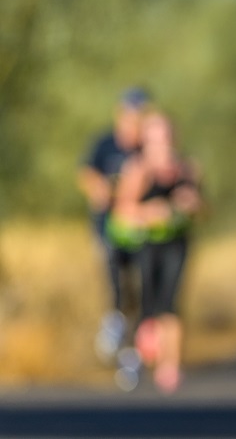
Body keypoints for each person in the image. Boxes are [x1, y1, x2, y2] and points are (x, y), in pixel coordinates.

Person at [110, 111, 202, 394]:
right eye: (154, 136)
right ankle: (139, 349)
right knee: (147, 297)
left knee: (171, 301)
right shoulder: (138, 170)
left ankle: (170, 366)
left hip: (177, 242)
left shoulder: (186, 169)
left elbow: (203, 208)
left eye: (165, 135)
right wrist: (151, 213)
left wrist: (191, 204)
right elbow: (121, 212)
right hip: (146, 244)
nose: (161, 142)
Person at [77, 86, 150, 364]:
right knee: (112, 272)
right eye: (130, 115)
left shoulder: (148, 146)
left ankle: (136, 340)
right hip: (107, 226)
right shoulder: (104, 143)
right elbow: (86, 172)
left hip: (139, 229)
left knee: (139, 283)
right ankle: (115, 324)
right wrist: (98, 188)